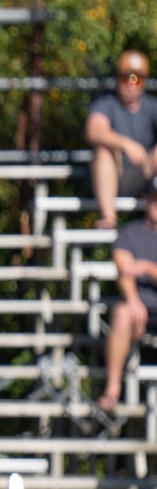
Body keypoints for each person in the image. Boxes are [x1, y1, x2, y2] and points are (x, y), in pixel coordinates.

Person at [100, 182, 157, 413]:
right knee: (123, 313)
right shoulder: (129, 233)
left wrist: (146, 267)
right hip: (141, 313)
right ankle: (112, 389)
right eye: (154, 197)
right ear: (146, 198)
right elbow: (124, 269)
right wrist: (133, 298)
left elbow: (134, 267)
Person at [86, 49, 154, 230]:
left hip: (143, 175)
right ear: (117, 79)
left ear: (144, 82)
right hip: (112, 174)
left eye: (136, 79)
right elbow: (94, 130)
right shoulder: (107, 104)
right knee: (103, 151)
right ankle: (109, 217)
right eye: (126, 78)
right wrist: (124, 143)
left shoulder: (151, 106)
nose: (131, 84)